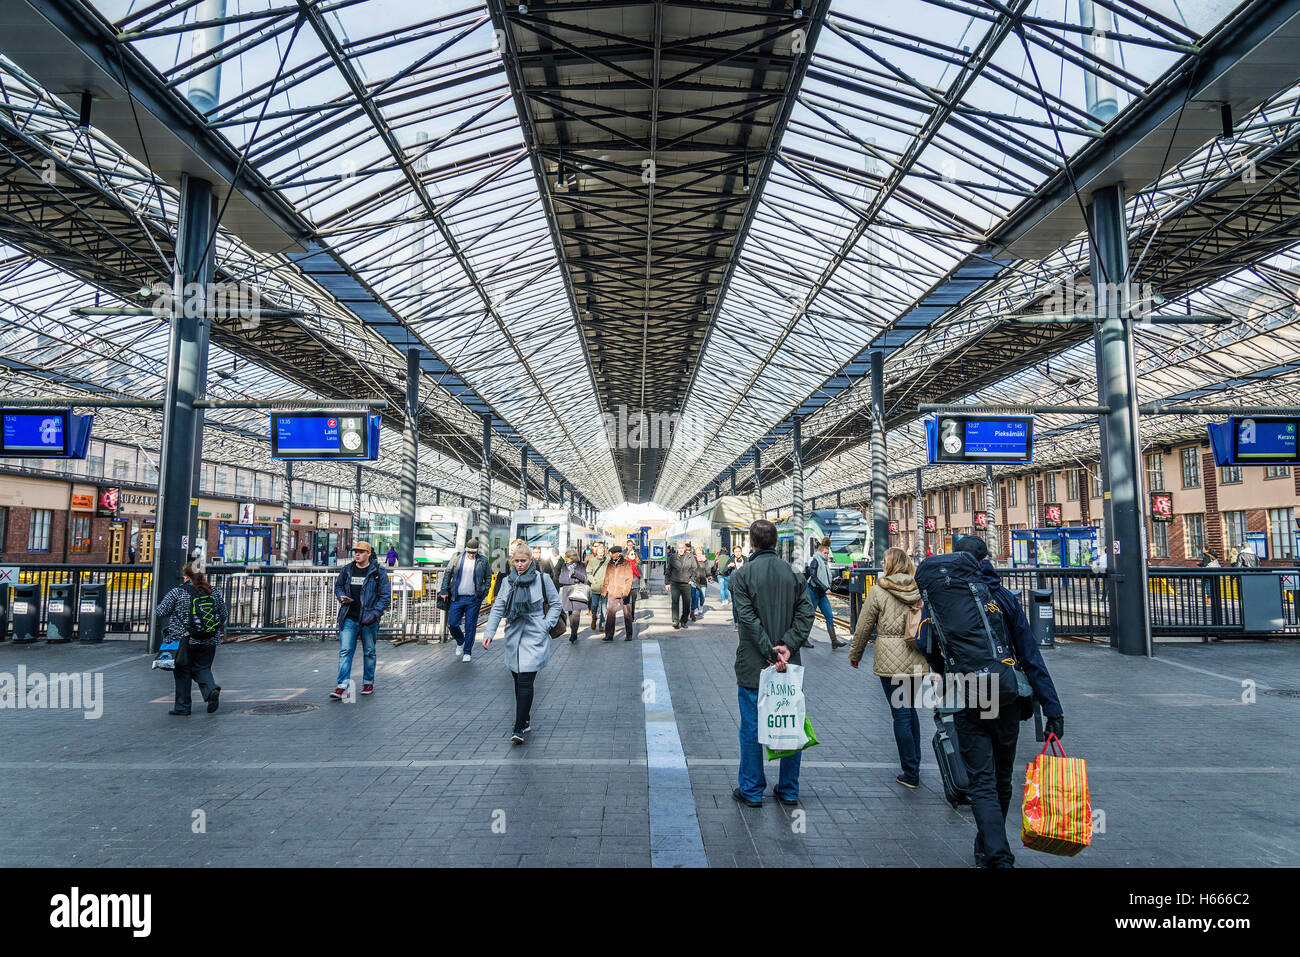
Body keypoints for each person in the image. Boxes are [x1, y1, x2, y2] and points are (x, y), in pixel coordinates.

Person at [919, 535, 1064, 868]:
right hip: (1007, 695)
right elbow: (1031, 656)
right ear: (986, 560)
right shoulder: (1003, 598)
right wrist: (1052, 708)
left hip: (968, 695)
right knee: (1001, 779)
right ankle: (994, 852)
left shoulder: (940, 599)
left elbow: (924, 641)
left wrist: (943, 670)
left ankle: (993, 853)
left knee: (981, 782)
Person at [730, 519, 815, 808]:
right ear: (776, 542)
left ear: (752, 543)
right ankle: (789, 789)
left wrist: (769, 651)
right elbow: (806, 614)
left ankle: (752, 790)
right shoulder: (794, 574)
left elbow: (747, 619)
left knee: (752, 728)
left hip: (754, 666)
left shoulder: (742, 575)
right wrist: (788, 646)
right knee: (790, 722)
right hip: (789, 666)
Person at [849, 547, 927, 788]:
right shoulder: (918, 588)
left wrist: (855, 654)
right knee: (910, 710)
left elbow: (864, 625)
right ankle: (915, 763)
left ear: (891, 565)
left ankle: (910, 772)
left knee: (900, 714)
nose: (882, 565)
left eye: (884, 561)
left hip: (890, 661)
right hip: (916, 656)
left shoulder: (879, 590)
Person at [482, 543, 561, 744]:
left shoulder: (542, 579)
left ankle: (518, 727)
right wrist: (489, 632)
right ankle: (525, 718)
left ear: (530, 561)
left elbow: (556, 604)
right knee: (518, 679)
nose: (519, 564)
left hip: (535, 634)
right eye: (516, 561)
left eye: (523, 561)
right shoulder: (508, 582)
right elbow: (498, 607)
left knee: (525, 679)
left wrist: (545, 625)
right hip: (513, 635)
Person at [156, 562, 227, 716]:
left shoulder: (178, 592)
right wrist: (211, 629)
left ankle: (182, 707)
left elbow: (160, 611)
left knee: (182, 671)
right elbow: (224, 614)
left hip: (184, 640)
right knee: (202, 668)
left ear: (186, 576)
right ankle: (211, 690)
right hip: (209, 639)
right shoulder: (213, 591)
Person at [330, 541, 392, 699]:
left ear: (368, 553)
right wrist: (341, 596)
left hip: (369, 619)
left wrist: (375, 613)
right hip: (349, 616)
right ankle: (342, 686)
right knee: (345, 651)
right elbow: (338, 586)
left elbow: (385, 596)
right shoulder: (347, 569)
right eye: (355, 551)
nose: (357, 554)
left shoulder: (378, 571)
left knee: (369, 651)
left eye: (361, 552)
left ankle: (368, 682)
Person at [439, 538, 491, 662]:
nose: (471, 554)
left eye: (474, 552)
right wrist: (444, 590)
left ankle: (467, 652)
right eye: (469, 552)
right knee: (452, 624)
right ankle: (460, 641)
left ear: (477, 551)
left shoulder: (483, 561)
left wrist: (483, 592)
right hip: (457, 597)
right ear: (465, 550)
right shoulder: (456, 558)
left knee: (470, 626)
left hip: (473, 599)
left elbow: (488, 577)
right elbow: (448, 573)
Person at [805, 537, 845, 648]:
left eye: (827, 553)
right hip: (813, 592)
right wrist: (825, 588)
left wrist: (831, 583)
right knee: (810, 616)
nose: (827, 555)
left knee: (829, 615)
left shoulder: (824, 562)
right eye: (825, 553)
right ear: (820, 551)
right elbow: (813, 577)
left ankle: (834, 641)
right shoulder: (815, 560)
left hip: (821, 593)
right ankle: (804, 639)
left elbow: (823, 577)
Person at [602, 544, 637, 641]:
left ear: (618, 554)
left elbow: (629, 579)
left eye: (612, 553)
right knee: (610, 614)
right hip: (612, 592)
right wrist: (604, 591)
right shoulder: (610, 563)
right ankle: (609, 635)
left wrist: (626, 592)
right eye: (610, 553)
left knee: (627, 614)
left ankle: (629, 635)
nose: (611, 555)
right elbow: (606, 578)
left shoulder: (626, 563)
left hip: (623, 593)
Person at [557, 547, 589, 643]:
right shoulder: (564, 566)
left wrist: (575, 573)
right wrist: (573, 581)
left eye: (567, 557)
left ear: (572, 558)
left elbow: (584, 578)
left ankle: (574, 633)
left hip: (578, 592)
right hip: (567, 593)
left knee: (576, 613)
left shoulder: (581, 565)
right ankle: (573, 630)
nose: (566, 559)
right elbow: (561, 580)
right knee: (570, 614)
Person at [665, 541, 696, 629]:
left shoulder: (690, 557)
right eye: (679, 548)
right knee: (675, 602)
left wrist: (692, 579)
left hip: (686, 583)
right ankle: (675, 621)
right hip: (675, 583)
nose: (681, 550)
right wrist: (667, 583)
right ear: (677, 549)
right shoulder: (673, 557)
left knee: (687, 604)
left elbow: (694, 569)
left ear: (685, 549)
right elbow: (668, 571)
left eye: (682, 548)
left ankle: (684, 620)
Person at [586, 542, 609, 632]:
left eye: (602, 552)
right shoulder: (592, 561)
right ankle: (594, 619)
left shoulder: (607, 560)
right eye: (599, 552)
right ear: (596, 552)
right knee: (594, 606)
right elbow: (588, 572)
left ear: (604, 552)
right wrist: (592, 580)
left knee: (604, 607)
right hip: (595, 588)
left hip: (605, 588)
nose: (601, 553)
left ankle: (602, 624)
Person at [691, 547, 711, 620]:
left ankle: (701, 605)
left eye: (700, 552)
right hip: (695, 581)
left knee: (703, 596)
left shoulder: (705, 560)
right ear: (695, 553)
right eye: (697, 552)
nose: (699, 554)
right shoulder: (693, 560)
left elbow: (707, 569)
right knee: (696, 596)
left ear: (702, 553)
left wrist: (709, 576)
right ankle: (696, 608)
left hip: (703, 580)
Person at [625, 541, 643, 620]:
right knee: (626, 601)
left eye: (631, 545)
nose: (630, 546)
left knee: (633, 601)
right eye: (628, 545)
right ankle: (627, 615)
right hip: (627, 584)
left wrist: (642, 585)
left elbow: (641, 575)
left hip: (635, 584)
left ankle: (632, 616)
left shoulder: (637, 563)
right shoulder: (625, 563)